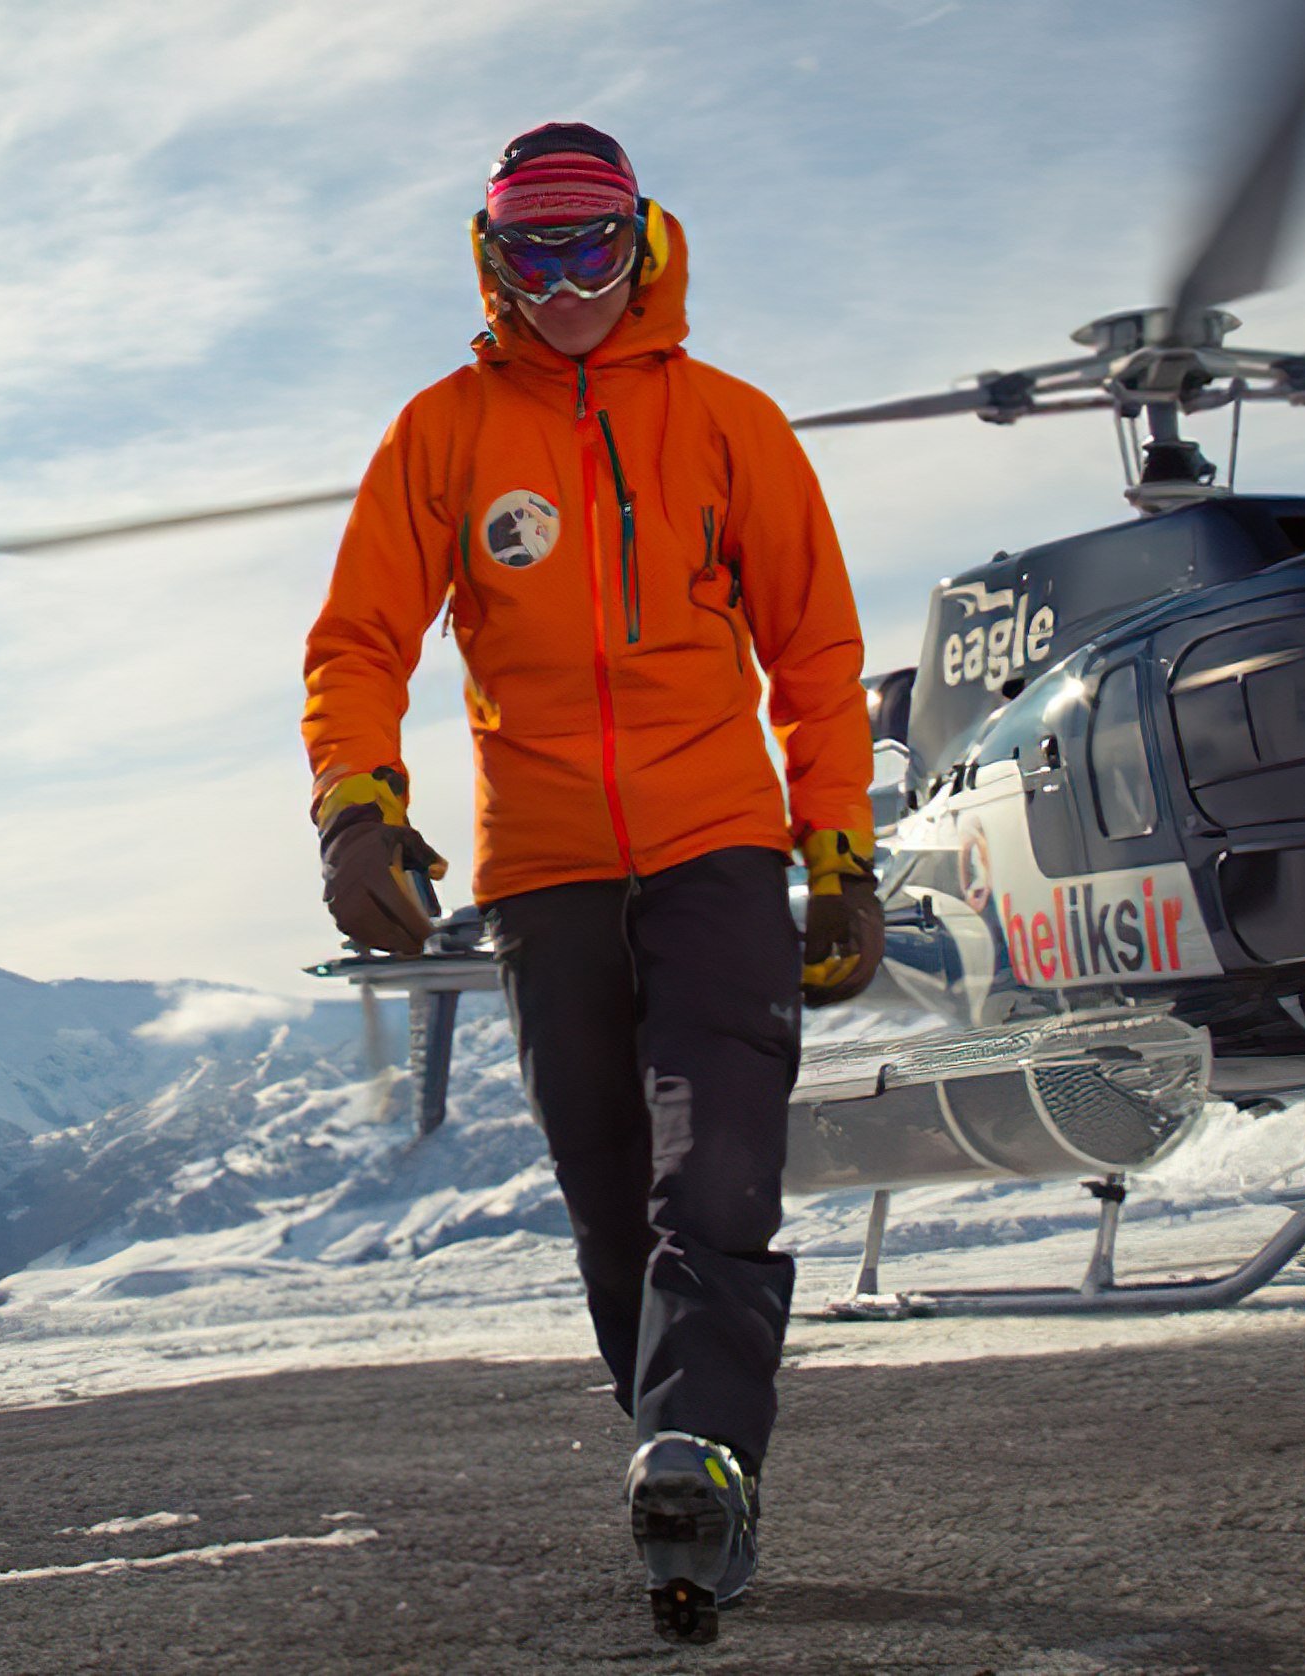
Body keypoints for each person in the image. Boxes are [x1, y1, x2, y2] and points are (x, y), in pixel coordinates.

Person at [299, 122, 882, 1644]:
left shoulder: (731, 425)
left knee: (720, 1170)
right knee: (611, 1197)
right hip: (546, 866)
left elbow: (816, 650)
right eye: (536, 247)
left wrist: (834, 839)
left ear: (645, 243)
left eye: (595, 244)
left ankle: (696, 1454)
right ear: (491, 259)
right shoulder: (440, 435)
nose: (568, 278)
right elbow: (361, 642)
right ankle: (678, 1459)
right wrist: (357, 807)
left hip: (718, 850)